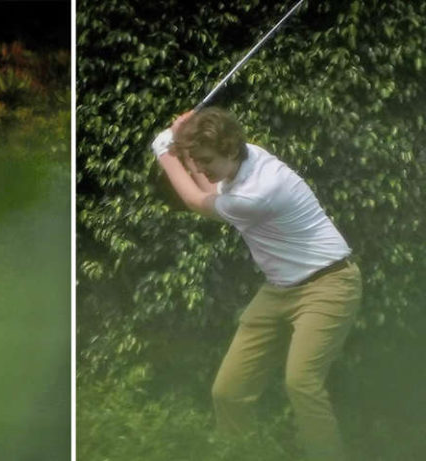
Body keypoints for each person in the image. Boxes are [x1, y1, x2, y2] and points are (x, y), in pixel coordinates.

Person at [151, 107, 362, 460]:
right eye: (197, 160)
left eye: (205, 160)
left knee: (302, 382)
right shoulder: (248, 158)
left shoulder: (260, 192)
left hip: (329, 284)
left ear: (231, 150)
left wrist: (164, 151)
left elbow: (195, 199)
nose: (200, 167)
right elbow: (214, 186)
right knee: (228, 392)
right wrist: (184, 148)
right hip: (279, 288)